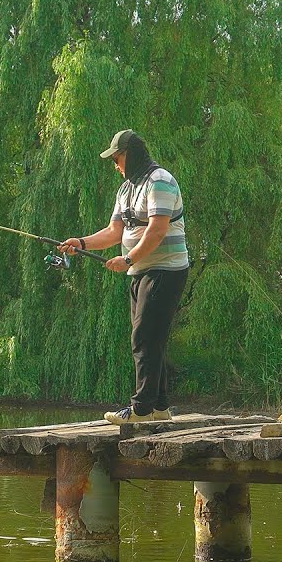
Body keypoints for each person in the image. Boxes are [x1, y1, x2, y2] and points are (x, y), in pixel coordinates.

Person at [59, 129, 189, 425]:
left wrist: (129, 258)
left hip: (166, 270)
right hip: (141, 271)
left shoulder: (161, 182)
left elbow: (157, 230)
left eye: (116, 158)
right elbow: (113, 232)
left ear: (130, 154)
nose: (114, 164)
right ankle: (160, 408)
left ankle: (141, 410)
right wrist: (81, 243)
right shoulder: (126, 190)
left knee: (143, 337)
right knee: (152, 338)